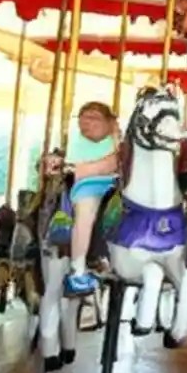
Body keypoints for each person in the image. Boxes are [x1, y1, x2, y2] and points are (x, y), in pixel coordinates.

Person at [64, 102, 122, 296]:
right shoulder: (78, 141)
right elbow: (81, 168)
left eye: (94, 118)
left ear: (109, 122)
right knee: (86, 213)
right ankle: (78, 268)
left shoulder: (116, 140)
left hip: (115, 181)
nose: (87, 123)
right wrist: (108, 164)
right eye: (84, 118)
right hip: (88, 184)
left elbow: (120, 160)